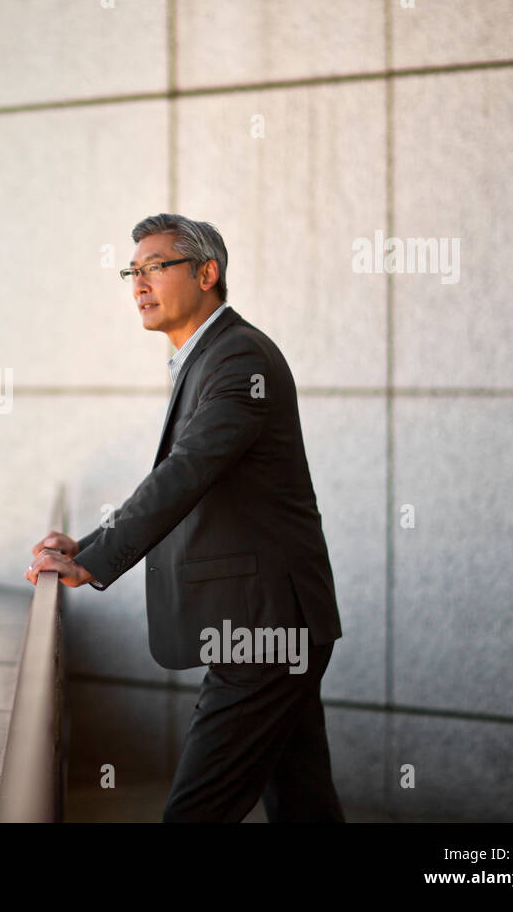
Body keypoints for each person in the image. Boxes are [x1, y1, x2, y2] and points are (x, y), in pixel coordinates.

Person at [25, 213, 345, 823]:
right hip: (275, 622)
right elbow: (186, 478)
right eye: (132, 272)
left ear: (206, 273)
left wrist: (94, 560)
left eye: (155, 267)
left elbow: (187, 472)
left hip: (264, 630)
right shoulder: (209, 358)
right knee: (303, 802)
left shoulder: (239, 358)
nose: (139, 284)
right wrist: (85, 544)